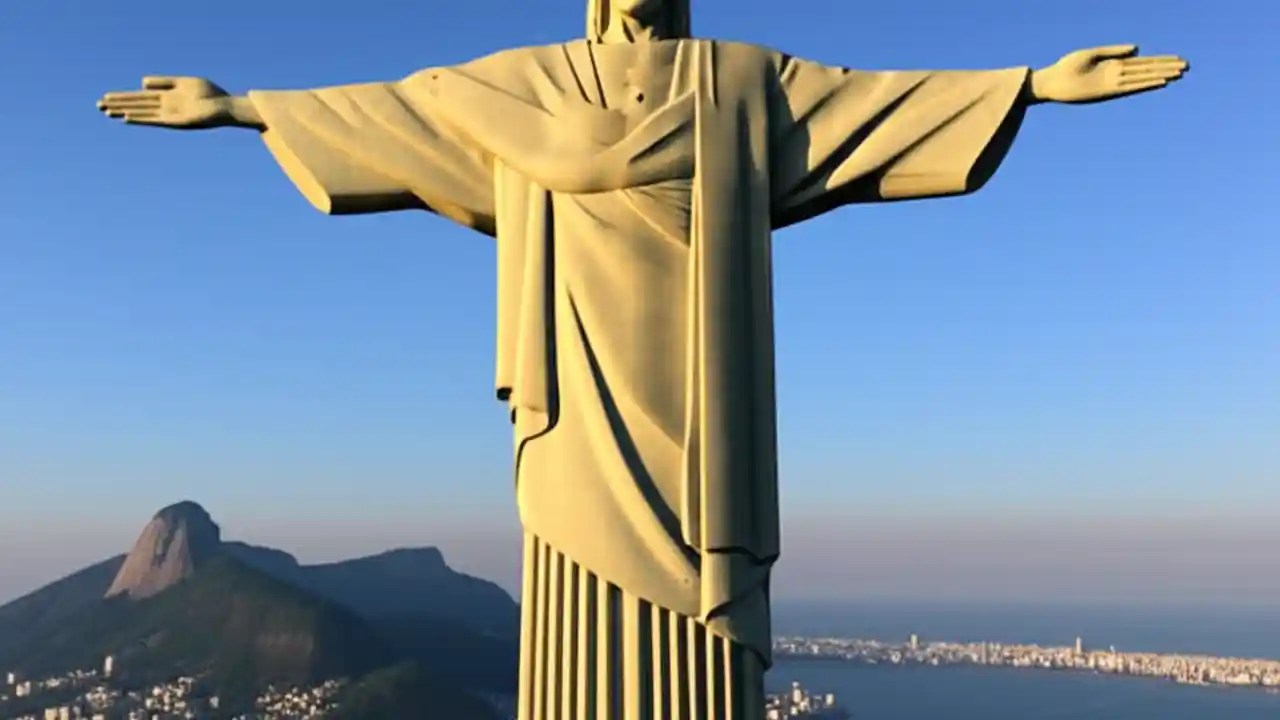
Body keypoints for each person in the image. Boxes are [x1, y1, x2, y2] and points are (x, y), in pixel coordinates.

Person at [97, 2, 1187, 718]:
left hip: (703, 411)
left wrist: (1030, 85)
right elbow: (395, 113)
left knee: (702, 634)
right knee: (574, 615)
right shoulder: (521, 84)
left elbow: (874, 103)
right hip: (572, 394)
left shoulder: (741, 80)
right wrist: (242, 108)